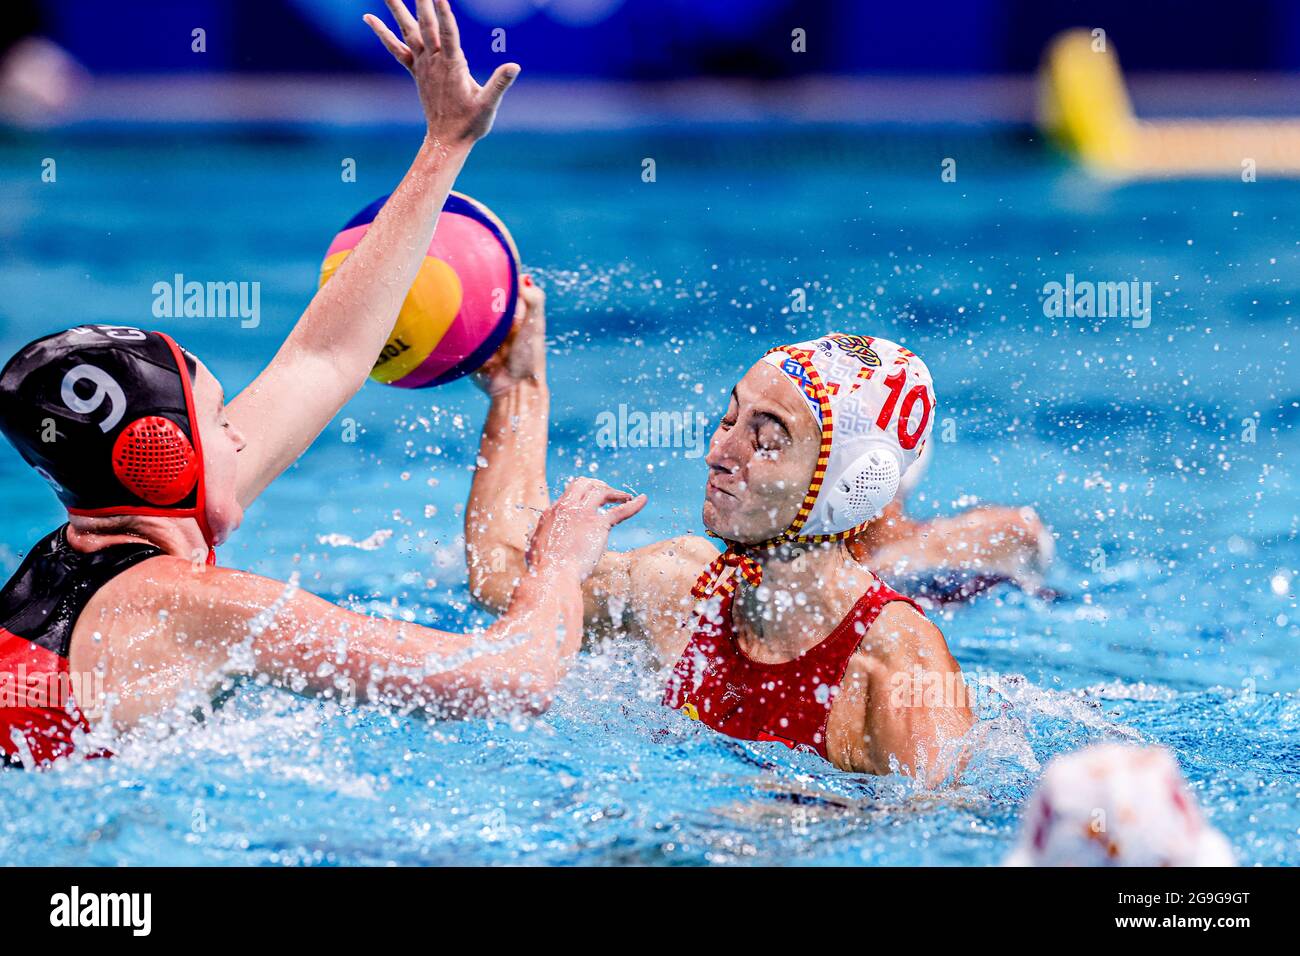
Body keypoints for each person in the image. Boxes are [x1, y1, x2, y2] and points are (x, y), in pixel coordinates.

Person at [0, 0, 644, 768]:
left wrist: (445, 145)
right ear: (159, 455)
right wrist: (556, 568)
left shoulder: (65, 561)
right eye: (217, 418)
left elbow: (324, 359)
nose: (240, 431)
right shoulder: (194, 604)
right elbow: (511, 679)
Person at [466, 283, 974, 783]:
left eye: (767, 440)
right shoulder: (677, 590)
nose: (719, 453)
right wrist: (518, 390)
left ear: (847, 489)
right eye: (730, 418)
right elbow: (502, 570)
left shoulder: (899, 669)